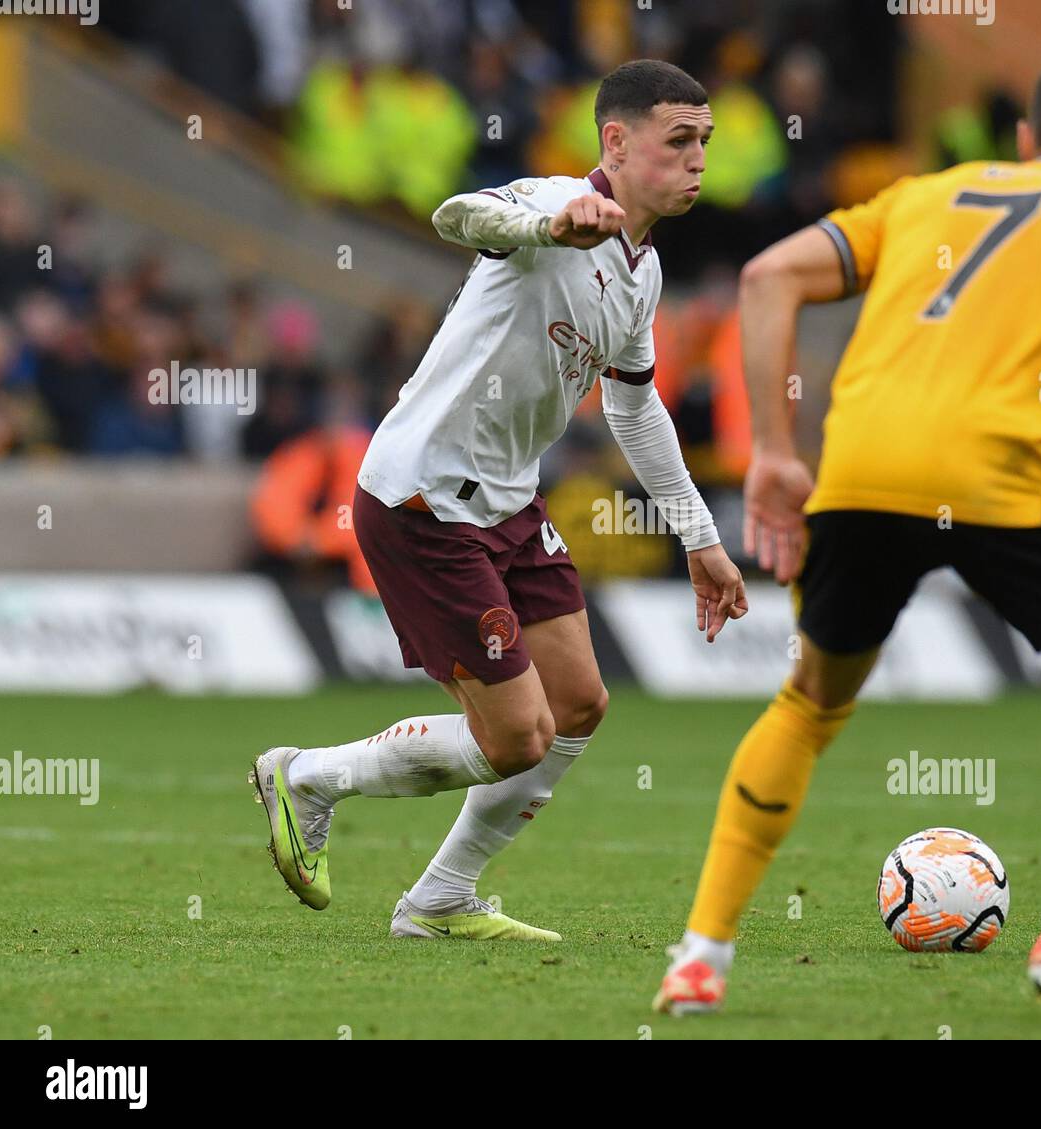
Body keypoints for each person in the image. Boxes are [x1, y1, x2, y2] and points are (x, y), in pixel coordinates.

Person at [655, 55, 1041, 1029]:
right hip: (998, 477)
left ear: (1021, 138)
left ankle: (700, 957)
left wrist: (770, 455)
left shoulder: (921, 195)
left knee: (807, 704)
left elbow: (766, 276)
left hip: (860, 468)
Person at [251, 59, 747, 941]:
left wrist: (700, 537)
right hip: (424, 497)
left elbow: (633, 406)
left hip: (510, 503)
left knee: (582, 702)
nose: (699, 160)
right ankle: (307, 776)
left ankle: (440, 897)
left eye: (704, 142)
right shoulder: (549, 200)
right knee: (517, 736)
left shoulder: (643, 273)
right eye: (680, 141)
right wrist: (550, 224)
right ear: (617, 143)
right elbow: (456, 216)